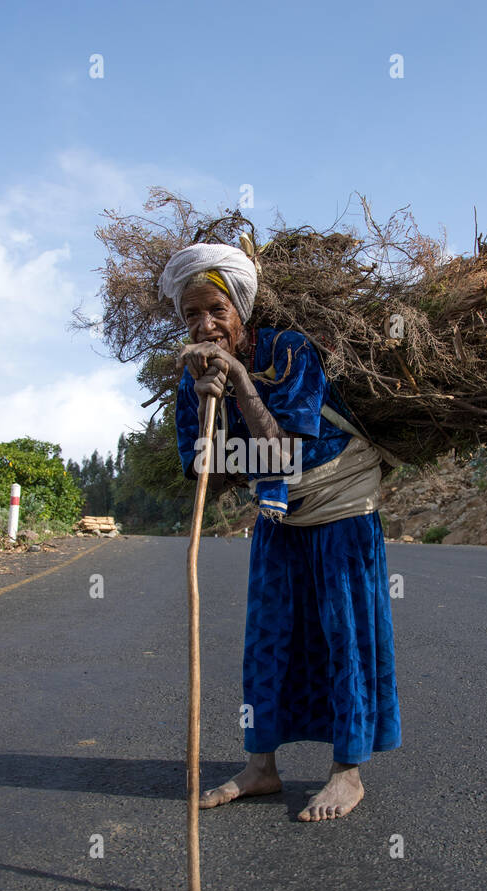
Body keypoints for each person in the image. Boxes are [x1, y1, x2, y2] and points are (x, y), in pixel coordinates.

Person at [162, 241, 400, 822]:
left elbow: (285, 451)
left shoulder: (290, 352)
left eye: (217, 310)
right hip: (277, 514)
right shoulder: (193, 374)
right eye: (192, 314)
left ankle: (348, 772)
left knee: (344, 635)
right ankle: (260, 767)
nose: (205, 325)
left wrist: (241, 383)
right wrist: (203, 401)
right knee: (268, 637)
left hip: (339, 506)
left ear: (242, 308)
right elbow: (203, 469)